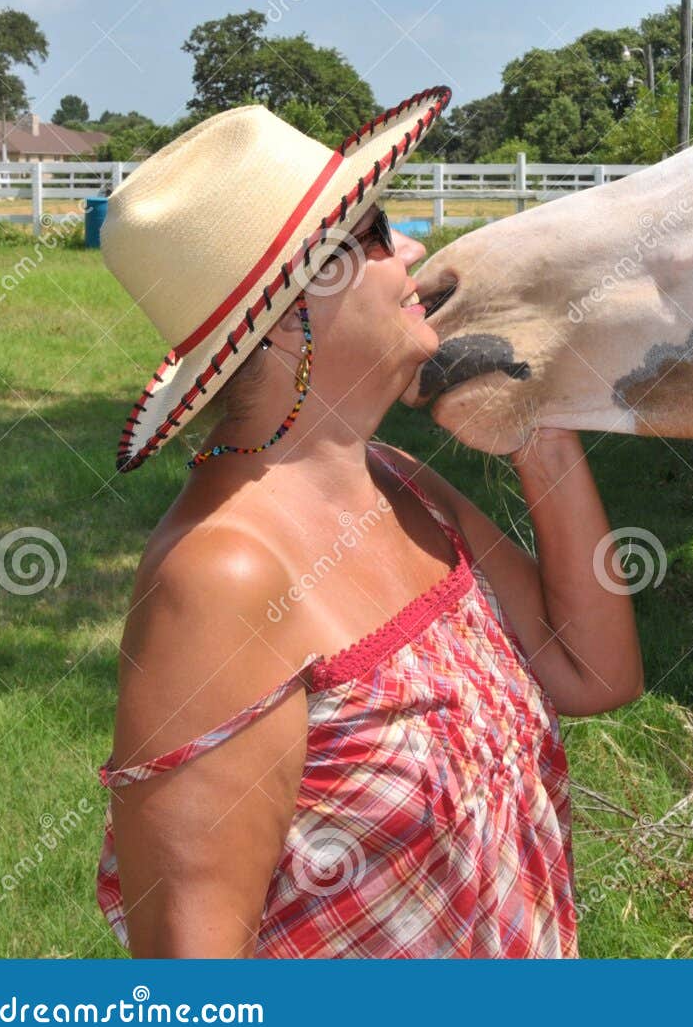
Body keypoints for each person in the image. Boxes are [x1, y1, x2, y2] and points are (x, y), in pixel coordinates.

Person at [92, 87, 643, 957]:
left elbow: (595, 671)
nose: (412, 249)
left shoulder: (401, 483)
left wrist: (537, 431)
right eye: (377, 232)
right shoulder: (220, 581)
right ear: (281, 323)